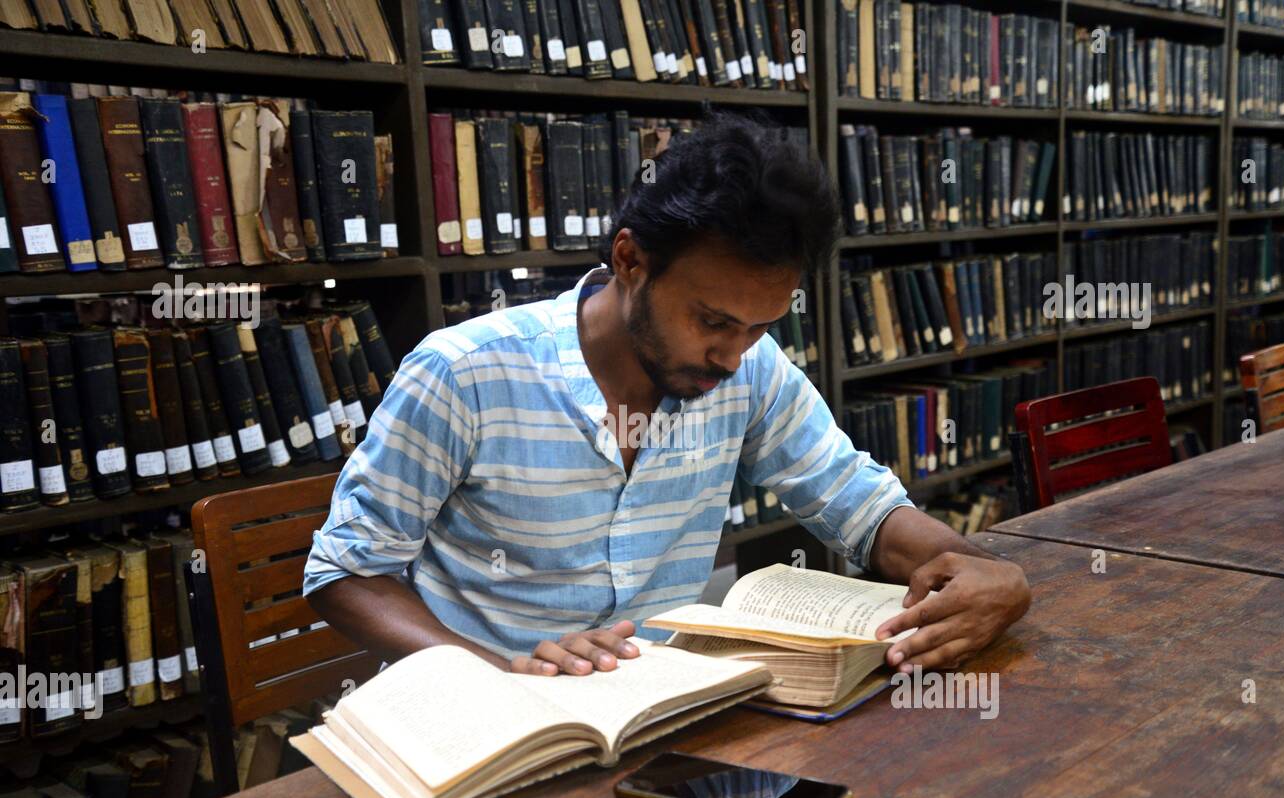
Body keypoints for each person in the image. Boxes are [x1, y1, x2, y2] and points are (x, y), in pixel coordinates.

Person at [304, 111, 1030, 679]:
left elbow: (858, 503)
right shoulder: (464, 373)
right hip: (487, 717)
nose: (731, 352)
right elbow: (345, 572)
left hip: (655, 707)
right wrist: (500, 676)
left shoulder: (749, 369)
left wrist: (976, 570)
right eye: (712, 320)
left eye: (759, 326)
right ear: (630, 261)